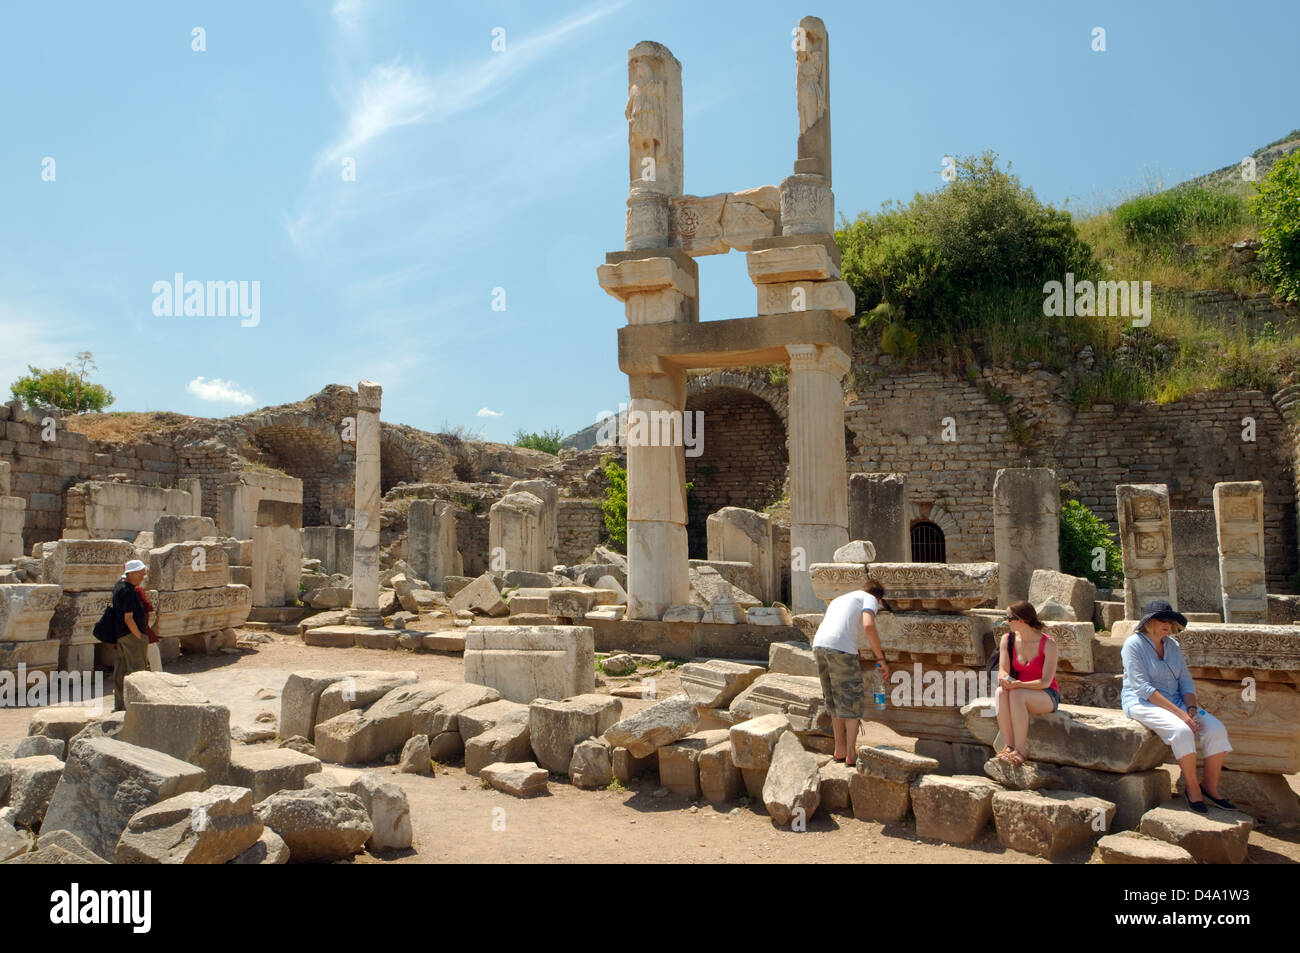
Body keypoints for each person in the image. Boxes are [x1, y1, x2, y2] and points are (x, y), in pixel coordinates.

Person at [1121, 599, 1235, 814]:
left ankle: (1209, 786)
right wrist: (1181, 714)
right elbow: (1142, 687)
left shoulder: (1173, 646)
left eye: (1169, 620)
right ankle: (1192, 789)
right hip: (1142, 702)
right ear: (1149, 622)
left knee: (1216, 729)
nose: (1166, 624)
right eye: (1161, 620)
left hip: (1177, 701)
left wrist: (1191, 708)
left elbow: (1185, 681)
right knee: (1182, 731)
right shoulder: (1133, 645)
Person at [811, 575, 889, 767]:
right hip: (840, 649)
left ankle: (840, 749)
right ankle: (851, 755)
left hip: (819, 645)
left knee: (835, 700)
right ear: (879, 599)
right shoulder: (869, 599)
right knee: (852, 701)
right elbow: (868, 625)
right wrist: (881, 658)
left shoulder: (840, 599)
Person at [993, 601, 1060, 766]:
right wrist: (1005, 679)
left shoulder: (1048, 644)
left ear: (1021, 620)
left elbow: (1045, 682)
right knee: (1001, 692)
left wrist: (1019, 685)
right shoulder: (1007, 639)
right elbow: (1003, 669)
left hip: (1046, 694)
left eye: (1008, 618)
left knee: (1017, 694)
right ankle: (1009, 746)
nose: (1006, 622)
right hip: (1018, 688)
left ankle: (1020, 751)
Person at [111, 559, 153, 711]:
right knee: (137, 670)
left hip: (121, 635)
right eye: (141, 574)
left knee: (121, 671)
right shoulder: (128, 592)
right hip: (131, 636)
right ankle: (136, 707)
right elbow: (128, 618)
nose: (143, 577)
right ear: (133, 574)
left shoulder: (119, 586)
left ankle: (120, 705)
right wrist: (139, 637)